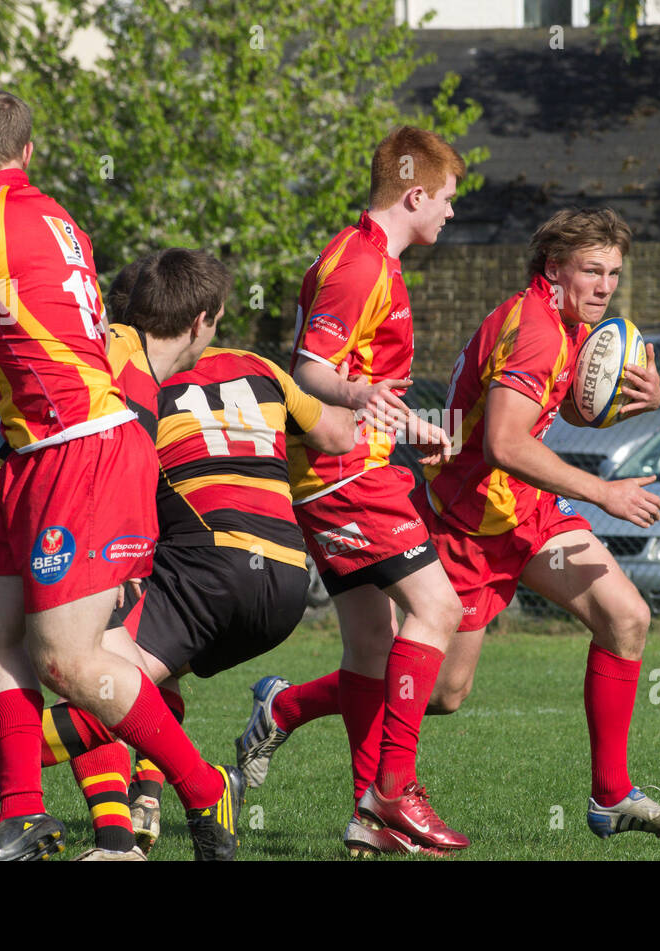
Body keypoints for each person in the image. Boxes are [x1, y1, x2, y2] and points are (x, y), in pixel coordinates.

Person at [242, 208, 660, 844]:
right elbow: (508, 442)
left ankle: (612, 795)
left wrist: (632, 406)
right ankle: (286, 707)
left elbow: (557, 404)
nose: (605, 285)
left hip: (528, 513)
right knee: (442, 694)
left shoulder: (564, 323)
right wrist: (603, 492)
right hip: (471, 521)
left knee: (626, 617)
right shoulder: (539, 327)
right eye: (592, 270)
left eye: (614, 273)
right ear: (554, 267)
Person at [0, 90, 234, 862]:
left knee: (67, 659)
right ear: (29, 153)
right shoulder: (66, 222)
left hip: (74, 448)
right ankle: (24, 812)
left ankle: (202, 785)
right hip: (51, 448)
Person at [0, 249, 357, 861]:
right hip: (284, 584)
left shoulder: (136, 380)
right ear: (201, 321)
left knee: (96, 673)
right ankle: (136, 808)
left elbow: (117, 474)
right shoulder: (260, 368)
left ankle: (11, 792)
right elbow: (338, 434)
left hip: (206, 567)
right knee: (132, 686)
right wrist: (372, 402)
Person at [237, 126, 468, 856]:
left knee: (373, 647)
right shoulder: (361, 265)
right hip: (343, 478)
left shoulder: (373, 261)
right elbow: (309, 371)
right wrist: (364, 391)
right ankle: (394, 788)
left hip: (354, 467)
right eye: (450, 199)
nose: (452, 214)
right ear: (416, 193)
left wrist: (408, 426)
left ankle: (370, 816)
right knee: (440, 608)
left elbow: (354, 380)